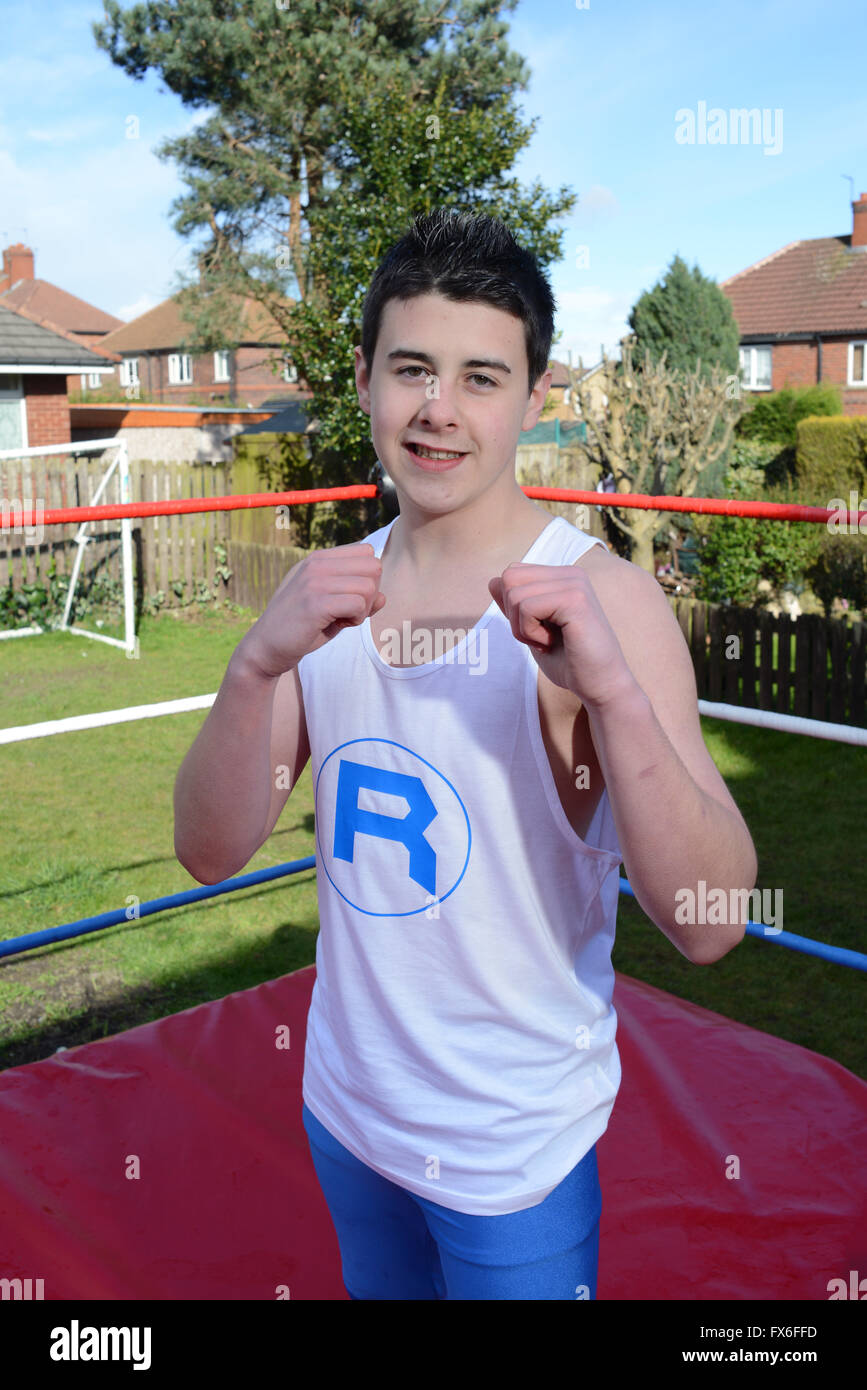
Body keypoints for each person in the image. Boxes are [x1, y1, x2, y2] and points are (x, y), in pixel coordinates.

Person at [173, 208, 758, 1300]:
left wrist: (617, 698)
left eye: (481, 377)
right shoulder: (326, 593)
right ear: (362, 379)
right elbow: (208, 852)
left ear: (536, 398)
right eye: (412, 369)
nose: (438, 410)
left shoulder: (609, 603)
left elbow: (714, 924)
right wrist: (253, 669)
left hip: (512, 1151)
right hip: (348, 1111)